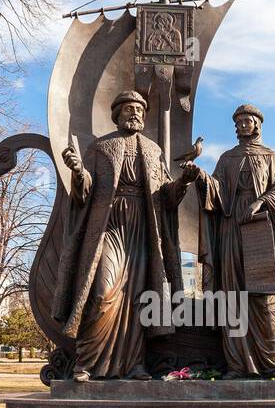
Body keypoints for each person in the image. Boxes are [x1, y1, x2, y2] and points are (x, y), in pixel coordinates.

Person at [57, 90, 194, 380]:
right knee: (101, 292)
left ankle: (134, 364)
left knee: (139, 298)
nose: (135, 114)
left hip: (143, 229)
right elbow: (85, 191)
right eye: (129, 109)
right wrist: (78, 171)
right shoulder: (100, 148)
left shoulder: (153, 150)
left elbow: (166, 196)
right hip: (109, 225)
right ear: (117, 114)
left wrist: (183, 181)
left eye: (140, 110)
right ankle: (87, 363)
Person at [189, 104, 275, 379]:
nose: (242, 125)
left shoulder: (270, 156)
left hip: (258, 229)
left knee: (264, 295)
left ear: (257, 124)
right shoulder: (226, 158)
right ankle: (237, 364)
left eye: (247, 120)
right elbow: (216, 190)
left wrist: (260, 202)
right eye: (238, 121)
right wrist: (200, 176)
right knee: (233, 295)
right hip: (231, 228)